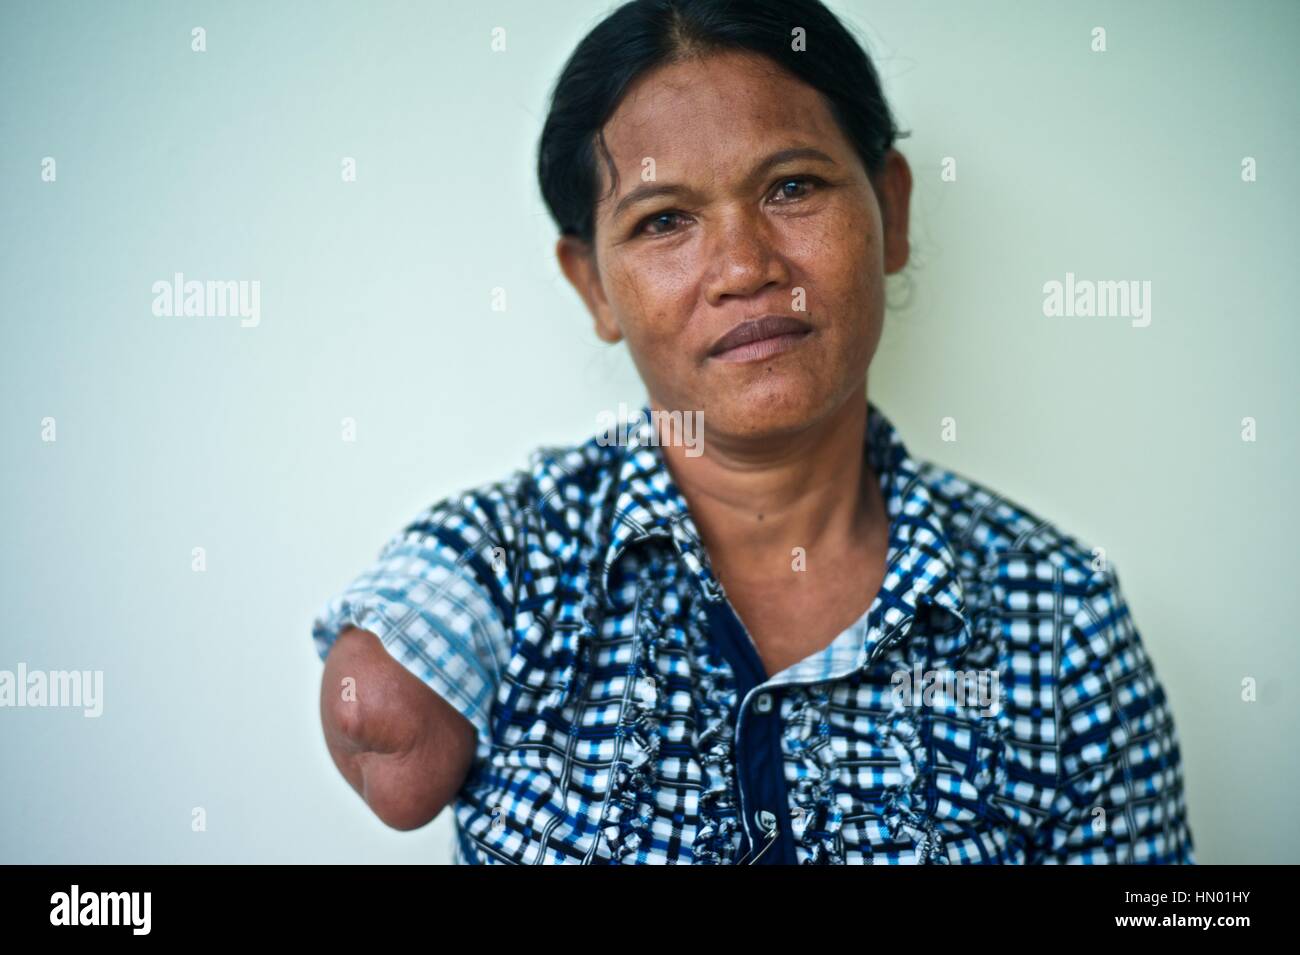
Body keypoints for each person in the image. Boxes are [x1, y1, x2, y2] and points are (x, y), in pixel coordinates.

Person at [311, 0, 1194, 864]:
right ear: (591, 285)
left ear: (892, 208)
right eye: (664, 220)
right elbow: (379, 725)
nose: (743, 267)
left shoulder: (1062, 617)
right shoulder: (501, 564)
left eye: (792, 187)